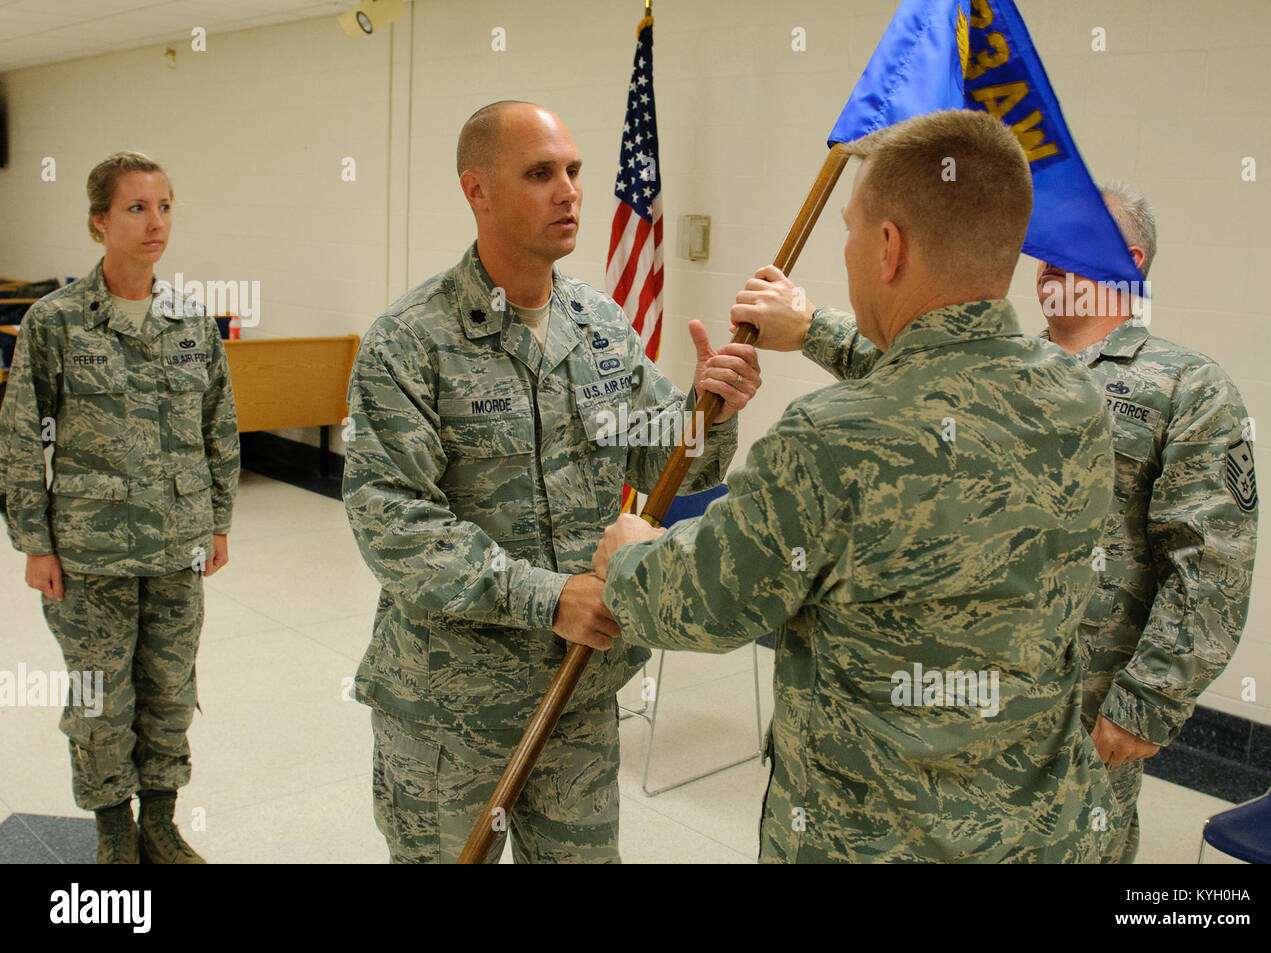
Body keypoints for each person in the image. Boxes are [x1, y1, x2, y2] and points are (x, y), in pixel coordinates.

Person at [594, 108, 1118, 863]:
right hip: (1042, 829)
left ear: (888, 247)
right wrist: (813, 328)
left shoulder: (830, 437)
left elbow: (708, 604)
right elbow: (946, 397)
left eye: (849, 230)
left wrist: (630, 557)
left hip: (873, 838)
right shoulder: (1076, 397)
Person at [343, 101, 761, 864]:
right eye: (540, 173)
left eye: (573, 170)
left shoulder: (600, 325)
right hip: (451, 712)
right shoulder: (409, 342)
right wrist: (550, 596)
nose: (568, 191)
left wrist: (711, 411)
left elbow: (667, 461)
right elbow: (392, 524)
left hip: (578, 691)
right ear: (477, 190)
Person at [0, 151, 240, 864]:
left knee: (169, 688)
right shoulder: (56, 321)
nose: (155, 222)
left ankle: (160, 822)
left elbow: (219, 427)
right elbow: (20, 436)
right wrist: (35, 543)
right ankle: (112, 825)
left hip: (177, 544)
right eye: (136, 208)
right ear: (99, 221)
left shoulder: (191, 321)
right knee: (100, 697)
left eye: (164, 206)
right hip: (89, 550)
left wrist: (219, 522)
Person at [1034, 183, 1257, 863]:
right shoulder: (999, 368)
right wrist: (804, 325)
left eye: (1071, 235)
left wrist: (1147, 702)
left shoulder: (1188, 385)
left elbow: (1211, 565)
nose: (1045, 255)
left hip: (1082, 712)